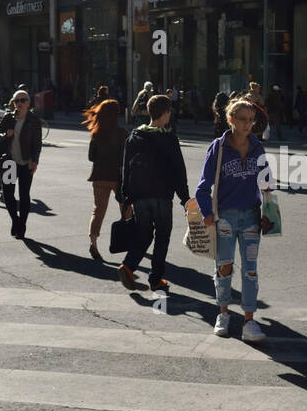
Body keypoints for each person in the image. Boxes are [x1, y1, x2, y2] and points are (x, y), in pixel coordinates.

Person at [196, 98, 274, 343]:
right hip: (226, 217)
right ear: (231, 119)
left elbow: (267, 184)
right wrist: (207, 212)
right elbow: (202, 187)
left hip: (251, 216)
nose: (248, 124)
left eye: (251, 120)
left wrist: (268, 214)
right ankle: (223, 314)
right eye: (243, 119)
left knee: (250, 271)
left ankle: (250, 321)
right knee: (224, 266)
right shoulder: (218, 148)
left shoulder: (257, 147)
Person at [116, 95, 192, 291]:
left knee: (144, 233)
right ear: (166, 113)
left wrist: (125, 197)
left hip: (139, 196)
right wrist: (185, 198)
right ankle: (155, 279)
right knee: (162, 236)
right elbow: (178, 170)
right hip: (161, 195)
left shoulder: (134, 136)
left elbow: (125, 168)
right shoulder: (168, 138)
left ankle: (129, 265)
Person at [0, 89, 43, 239]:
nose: (19, 103)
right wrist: (5, 135)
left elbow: (37, 144)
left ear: (28, 103)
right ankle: (15, 220)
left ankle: (22, 225)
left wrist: (35, 161)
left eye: (23, 100)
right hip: (9, 162)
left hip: (26, 162)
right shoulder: (8, 118)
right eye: (17, 101)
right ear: (13, 103)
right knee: (8, 194)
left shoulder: (34, 121)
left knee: (24, 195)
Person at [85, 98, 127, 262]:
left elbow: (91, 157)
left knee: (98, 211)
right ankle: (129, 240)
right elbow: (127, 156)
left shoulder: (96, 133)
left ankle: (93, 243)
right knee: (126, 209)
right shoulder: (122, 133)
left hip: (100, 176)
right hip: (118, 177)